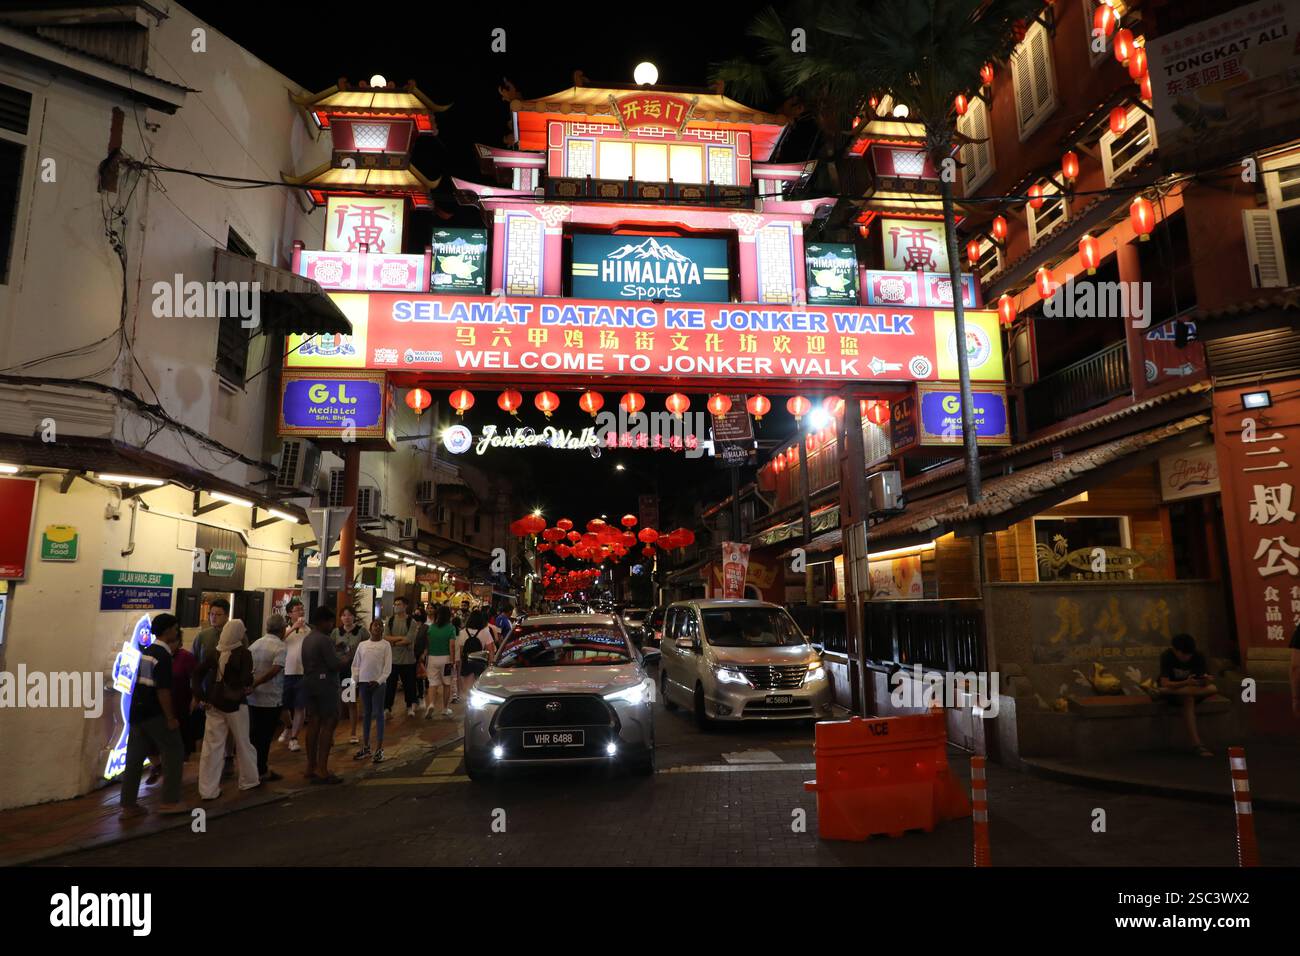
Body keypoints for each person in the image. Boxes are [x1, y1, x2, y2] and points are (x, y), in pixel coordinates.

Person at [119, 613, 188, 819]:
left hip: (137, 713)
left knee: (134, 759)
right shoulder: (164, 656)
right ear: (167, 631)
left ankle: (128, 805)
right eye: (175, 629)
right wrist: (170, 717)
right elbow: (163, 690)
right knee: (174, 751)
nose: (176, 632)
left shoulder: (146, 651)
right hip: (155, 712)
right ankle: (170, 801)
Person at [193, 619, 261, 800]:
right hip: (235, 704)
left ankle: (207, 790)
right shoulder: (243, 653)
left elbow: (197, 673)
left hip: (214, 702)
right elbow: (246, 679)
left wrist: (201, 696)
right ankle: (249, 780)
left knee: (211, 747)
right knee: (243, 743)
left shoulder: (214, 652)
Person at [1157, 633, 1219, 757]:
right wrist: (1185, 682)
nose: (1187, 657)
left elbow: (1204, 680)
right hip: (1178, 693)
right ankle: (1197, 745)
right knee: (1188, 699)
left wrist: (1206, 679)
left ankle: (1160, 692)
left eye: (1189, 654)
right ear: (1175, 650)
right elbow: (1165, 682)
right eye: (1184, 654)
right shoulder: (1167, 656)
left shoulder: (1198, 656)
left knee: (1213, 688)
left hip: (1188, 689)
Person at [302, 605, 344, 784]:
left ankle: (310, 766)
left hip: (310, 683)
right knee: (329, 723)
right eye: (330, 622)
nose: (332, 626)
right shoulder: (324, 640)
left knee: (313, 723)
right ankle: (322, 769)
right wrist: (346, 658)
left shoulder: (308, 638)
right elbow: (334, 664)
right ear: (323, 622)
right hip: (325, 685)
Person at [247, 614, 288, 782]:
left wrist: (252, 684)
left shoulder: (255, 644)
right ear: (283, 629)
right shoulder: (280, 646)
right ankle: (261, 770)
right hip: (271, 698)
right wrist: (257, 682)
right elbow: (276, 669)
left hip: (253, 698)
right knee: (264, 737)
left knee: (254, 735)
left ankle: (253, 768)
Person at [189, 598, 229, 748]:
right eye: (211, 614)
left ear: (226, 616)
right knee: (204, 730)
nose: (213, 617)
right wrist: (196, 693)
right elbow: (194, 664)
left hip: (225, 691)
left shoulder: (236, 635)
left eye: (218, 614)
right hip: (205, 690)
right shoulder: (203, 636)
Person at [353, 618, 393, 763]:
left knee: (379, 713)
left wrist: (379, 681)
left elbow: (387, 668)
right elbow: (356, 665)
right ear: (370, 629)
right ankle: (366, 747)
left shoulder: (386, 645)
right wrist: (356, 681)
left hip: (378, 684)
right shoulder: (362, 645)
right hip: (364, 683)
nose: (377, 628)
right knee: (366, 714)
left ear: (382, 629)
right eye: (374, 626)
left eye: (379, 626)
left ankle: (379, 749)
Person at [332, 606, 366, 744]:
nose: (347, 617)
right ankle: (332, 734)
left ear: (354, 617)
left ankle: (353, 733)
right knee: (337, 703)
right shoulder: (336, 632)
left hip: (352, 670)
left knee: (351, 701)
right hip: (338, 670)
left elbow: (368, 647)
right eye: (344, 615)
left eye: (349, 615)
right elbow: (330, 648)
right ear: (340, 617)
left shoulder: (361, 632)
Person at [279, 598, 309, 752]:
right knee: (281, 705)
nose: (301, 612)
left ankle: (294, 738)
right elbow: (278, 641)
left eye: (302, 608)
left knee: (300, 706)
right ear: (290, 613)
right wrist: (293, 628)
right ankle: (288, 726)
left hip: (303, 674)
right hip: (286, 673)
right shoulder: (284, 630)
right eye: (297, 609)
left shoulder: (309, 631)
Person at [383, 596, 421, 718]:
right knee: (390, 686)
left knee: (409, 685)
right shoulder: (390, 620)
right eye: (395, 604)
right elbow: (385, 637)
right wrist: (400, 639)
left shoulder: (412, 622)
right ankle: (387, 708)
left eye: (399, 604)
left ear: (405, 606)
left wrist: (393, 642)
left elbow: (409, 639)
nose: (396, 606)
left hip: (408, 660)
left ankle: (410, 706)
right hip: (392, 660)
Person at [424, 604, 457, 719]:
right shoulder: (451, 628)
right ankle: (445, 708)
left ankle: (431, 704)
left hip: (432, 658)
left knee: (432, 683)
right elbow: (452, 646)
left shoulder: (431, 627)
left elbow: (427, 645)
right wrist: (452, 662)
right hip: (446, 658)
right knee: (447, 683)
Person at [456, 609, 495, 697]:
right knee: (479, 687)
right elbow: (491, 650)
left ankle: (468, 704)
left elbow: (460, 650)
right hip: (481, 661)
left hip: (466, 662)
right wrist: (491, 664)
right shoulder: (485, 632)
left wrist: (458, 665)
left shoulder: (462, 632)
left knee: (467, 688)